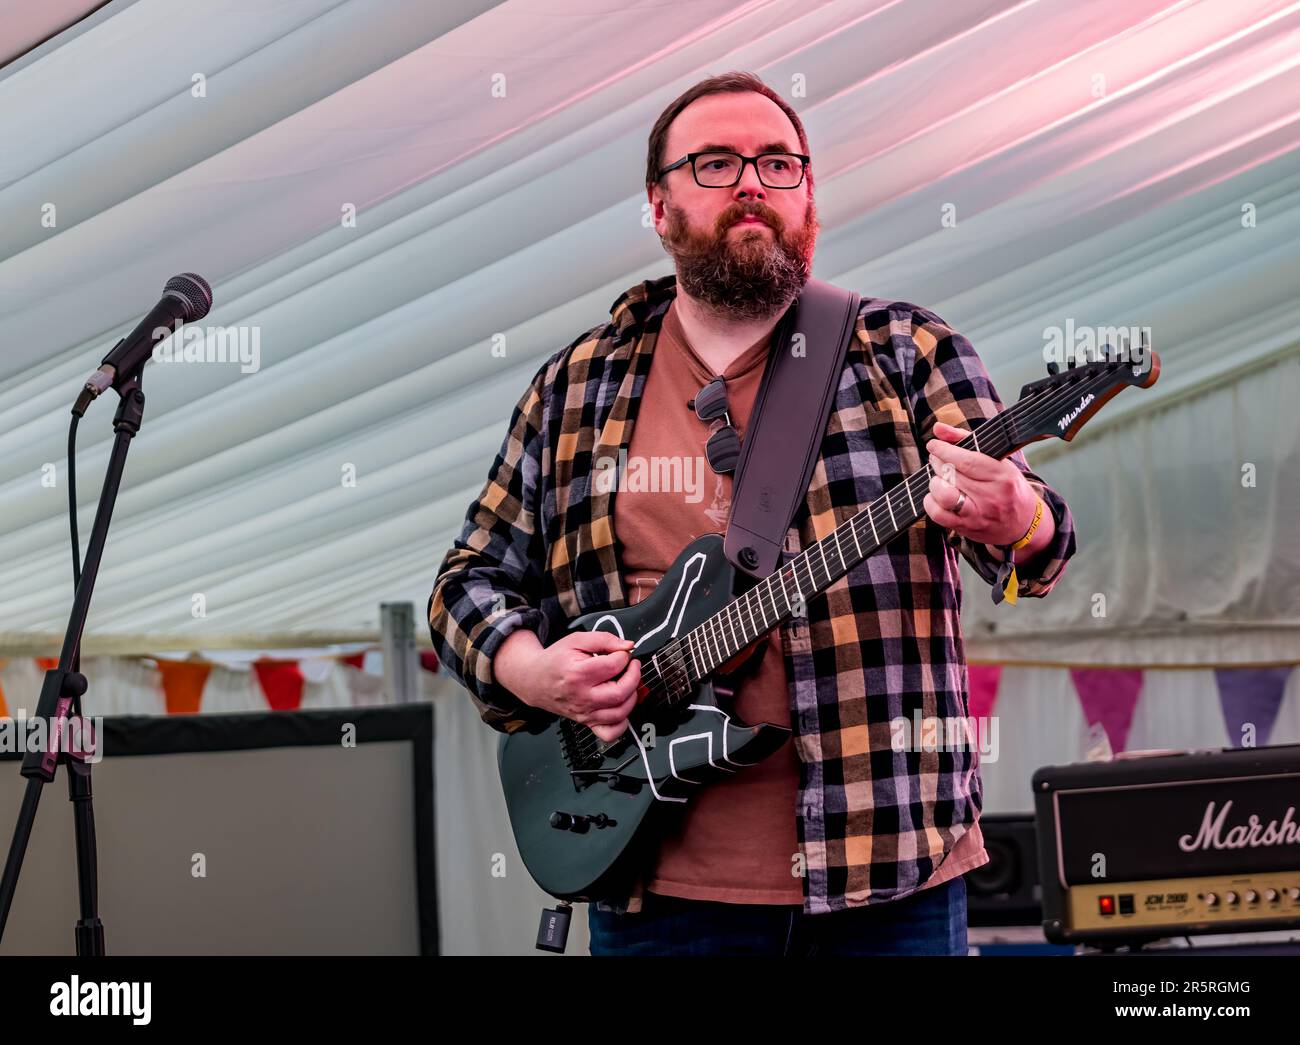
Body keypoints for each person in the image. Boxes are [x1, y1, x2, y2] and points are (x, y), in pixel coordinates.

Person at [428, 71, 1076, 955]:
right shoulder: (578, 383)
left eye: (778, 163)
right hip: (653, 885)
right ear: (658, 207)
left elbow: (1038, 546)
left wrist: (1015, 518)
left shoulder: (907, 351)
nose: (751, 183)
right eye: (716, 163)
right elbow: (468, 580)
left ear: (808, 196)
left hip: (886, 874)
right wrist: (535, 671)